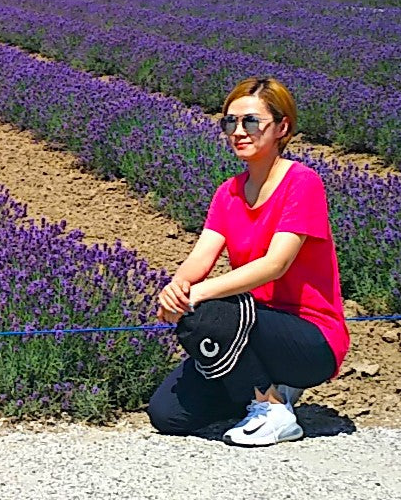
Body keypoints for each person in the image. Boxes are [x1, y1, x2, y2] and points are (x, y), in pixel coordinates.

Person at [149, 77, 350, 446]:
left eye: (251, 122)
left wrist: (197, 297)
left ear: (282, 127)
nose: (239, 131)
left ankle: (272, 408)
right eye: (230, 122)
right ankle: (262, 389)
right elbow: (200, 258)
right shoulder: (229, 192)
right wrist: (176, 291)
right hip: (249, 332)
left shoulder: (302, 183)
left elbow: (276, 265)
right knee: (168, 414)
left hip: (308, 337)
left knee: (208, 311)